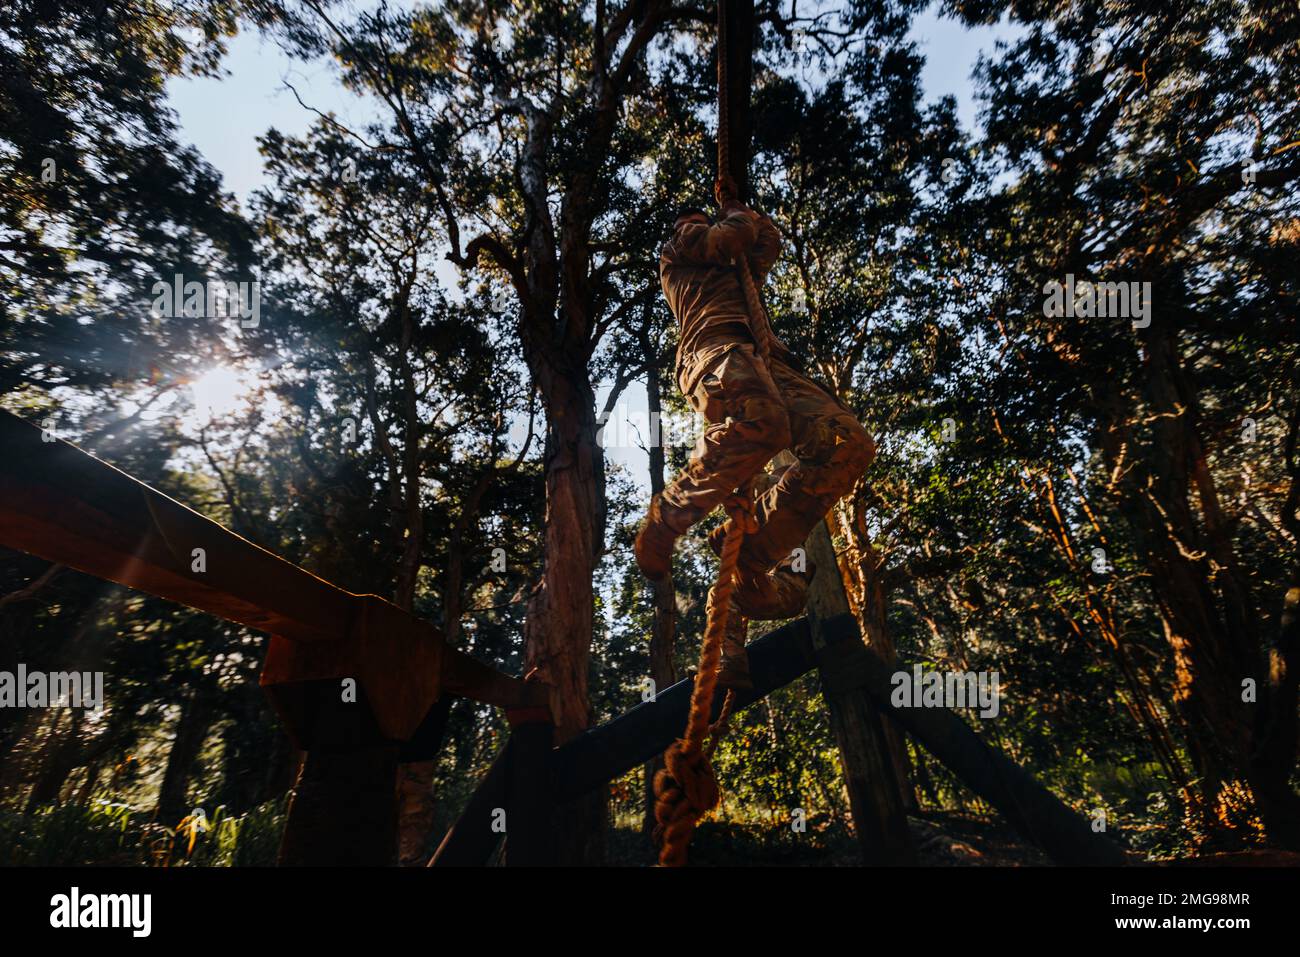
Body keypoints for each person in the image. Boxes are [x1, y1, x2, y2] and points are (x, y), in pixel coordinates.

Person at [633, 196, 876, 687]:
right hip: (717, 351)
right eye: (697, 217)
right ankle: (670, 513)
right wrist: (733, 217)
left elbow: (763, 245)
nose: (704, 221)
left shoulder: (734, 268)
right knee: (762, 422)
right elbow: (729, 238)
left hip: (770, 365)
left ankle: (754, 555)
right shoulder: (681, 248)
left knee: (850, 444)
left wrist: (751, 213)